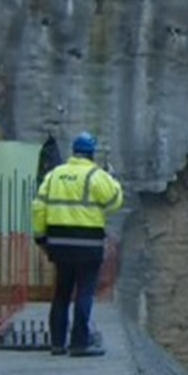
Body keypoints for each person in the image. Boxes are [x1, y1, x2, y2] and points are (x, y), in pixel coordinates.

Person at [33, 132, 123, 356]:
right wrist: (112, 179)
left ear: (73, 151)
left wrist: (41, 236)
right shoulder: (96, 175)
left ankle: (57, 343)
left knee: (62, 292)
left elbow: (38, 207)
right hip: (88, 244)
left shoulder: (55, 175)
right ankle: (80, 344)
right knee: (85, 291)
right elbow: (114, 203)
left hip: (59, 244)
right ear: (91, 154)